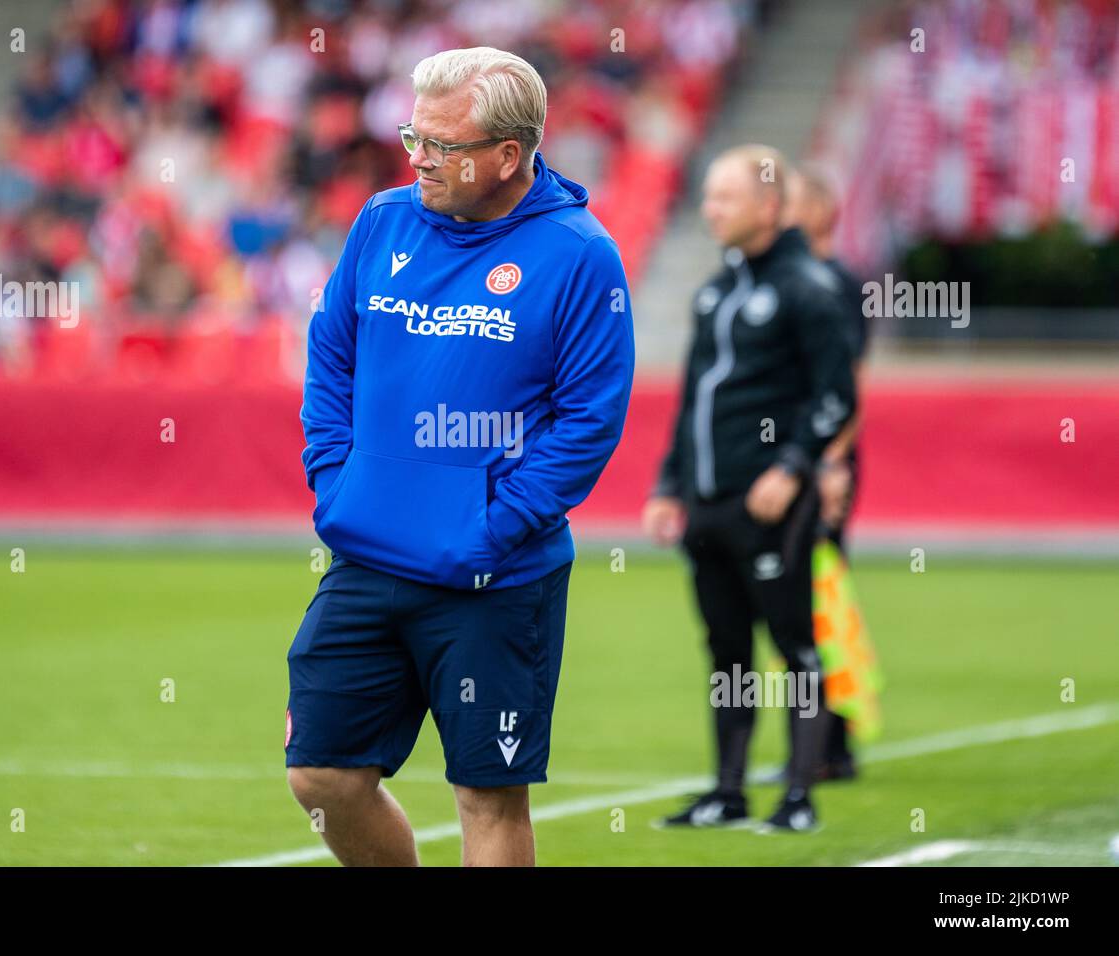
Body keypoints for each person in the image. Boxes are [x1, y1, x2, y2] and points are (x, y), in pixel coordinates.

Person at [287, 47, 635, 866]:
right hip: (367, 553)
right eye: (415, 135)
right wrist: (336, 480)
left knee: (486, 796)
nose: (418, 158)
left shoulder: (582, 255)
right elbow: (331, 353)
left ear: (507, 156)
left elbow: (589, 421)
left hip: (495, 577)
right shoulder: (384, 219)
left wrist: (494, 526)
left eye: (441, 145)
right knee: (322, 776)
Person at [643, 145, 856, 832]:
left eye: (724, 198)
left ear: (768, 206)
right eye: (708, 197)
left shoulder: (806, 286)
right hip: (709, 501)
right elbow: (693, 398)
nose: (710, 210)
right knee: (725, 647)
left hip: (770, 502)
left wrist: (791, 468)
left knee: (794, 644)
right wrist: (671, 482)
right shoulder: (717, 288)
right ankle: (727, 791)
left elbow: (836, 396)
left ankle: (799, 796)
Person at [783, 164, 871, 781]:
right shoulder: (796, 279)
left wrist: (831, 461)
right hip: (796, 460)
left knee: (814, 607)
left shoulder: (832, 282)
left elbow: (848, 386)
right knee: (800, 607)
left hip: (819, 466)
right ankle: (823, 747)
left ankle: (825, 749)